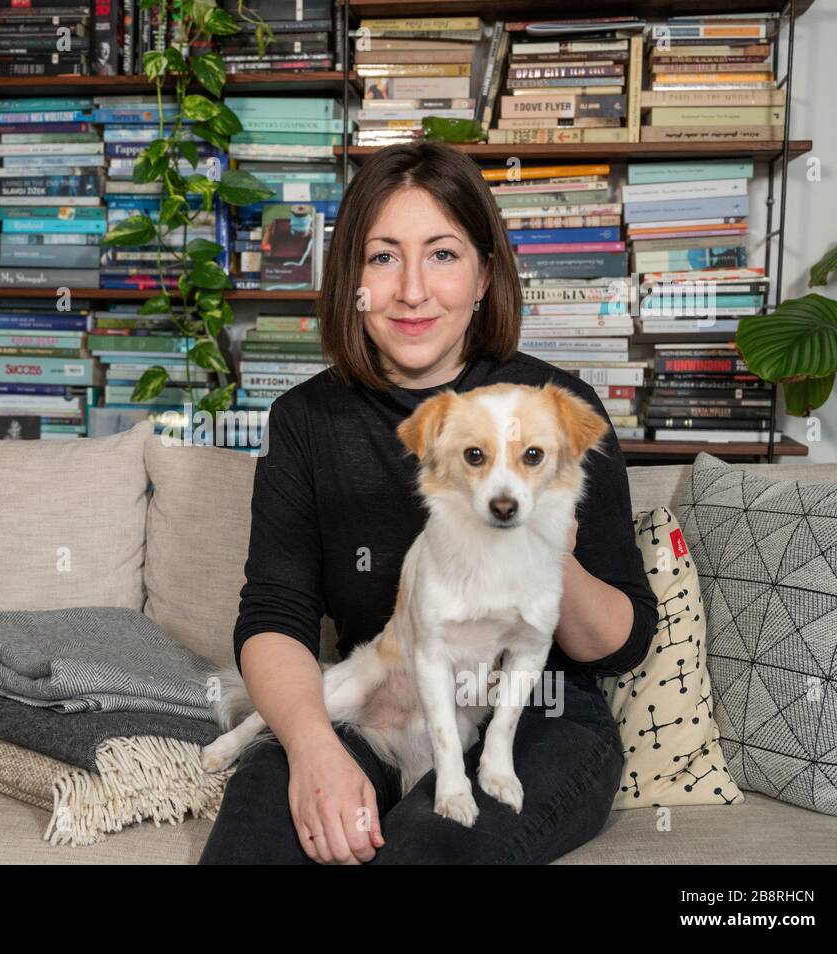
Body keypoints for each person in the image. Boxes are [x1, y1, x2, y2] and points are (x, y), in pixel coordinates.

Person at [197, 141, 658, 865]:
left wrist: (541, 551)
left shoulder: (554, 411)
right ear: (350, 280)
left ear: (483, 275)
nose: (412, 289)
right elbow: (274, 616)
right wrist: (314, 747)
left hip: (541, 717)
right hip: (383, 699)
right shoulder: (305, 422)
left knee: (427, 849)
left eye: (442, 254)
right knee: (252, 847)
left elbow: (622, 642)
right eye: (383, 258)